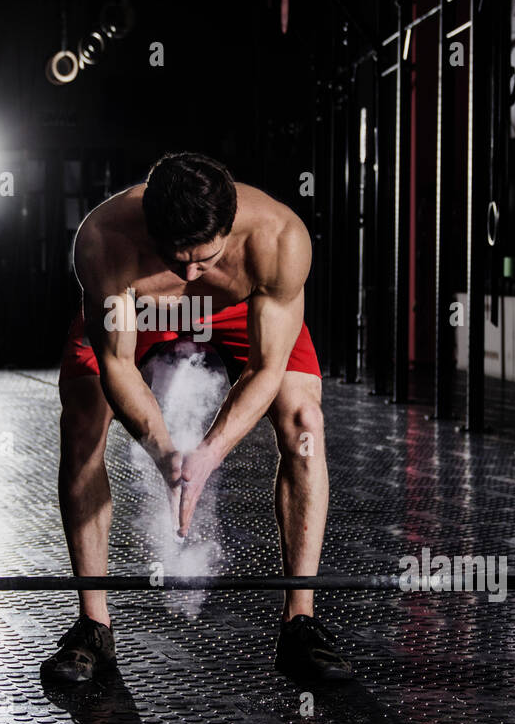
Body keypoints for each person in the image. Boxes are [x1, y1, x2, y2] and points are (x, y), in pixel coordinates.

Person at [45, 152, 353, 685]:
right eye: (176, 258)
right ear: (149, 227)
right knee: (80, 424)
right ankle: (93, 628)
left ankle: (300, 621)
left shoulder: (280, 238)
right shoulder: (104, 240)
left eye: (204, 259)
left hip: (240, 307)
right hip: (140, 307)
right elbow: (116, 364)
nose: (189, 273)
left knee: (305, 421)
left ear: (229, 229)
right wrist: (165, 451)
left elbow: (265, 368)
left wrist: (207, 454)